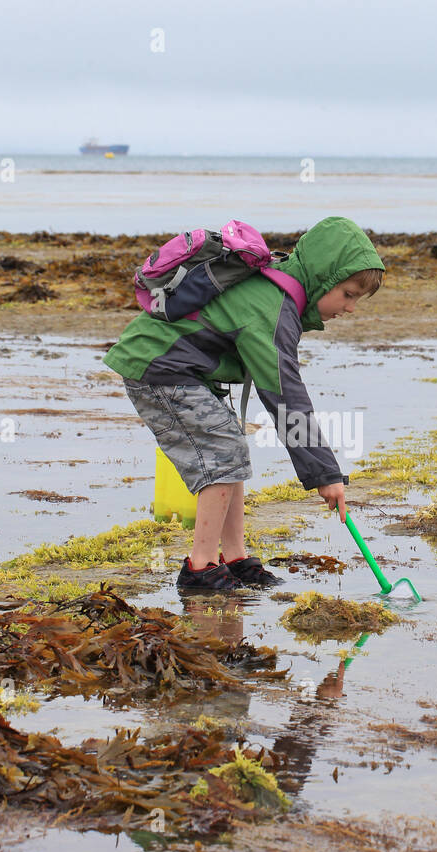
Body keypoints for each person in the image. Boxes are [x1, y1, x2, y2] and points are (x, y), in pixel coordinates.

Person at [103, 216, 385, 590]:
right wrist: (326, 475)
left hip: (185, 371)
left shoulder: (278, 294)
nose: (350, 308)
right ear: (323, 279)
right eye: (348, 294)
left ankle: (235, 559)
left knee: (233, 447)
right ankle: (200, 569)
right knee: (224, 449)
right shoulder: (273, 307)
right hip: (158, 368)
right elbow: (286, 397)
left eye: (356, 300)